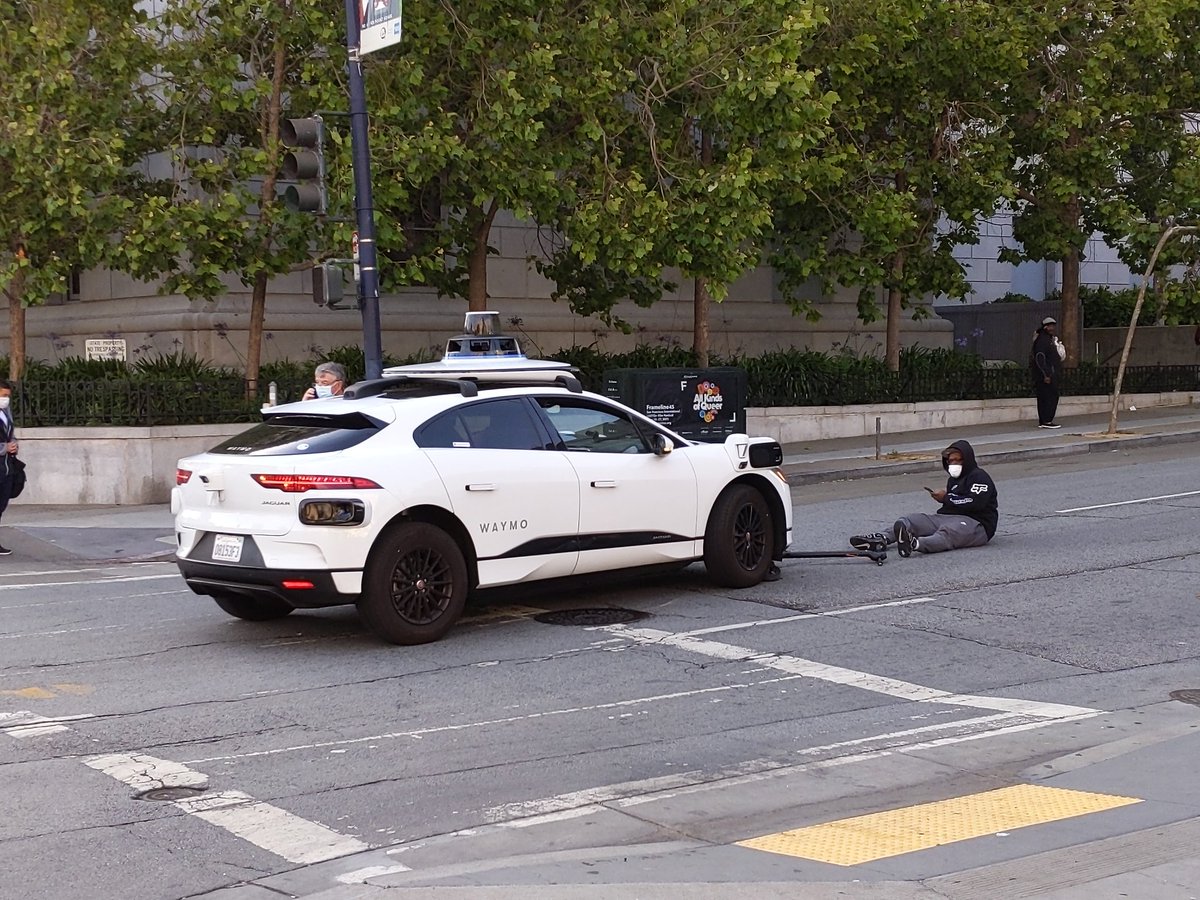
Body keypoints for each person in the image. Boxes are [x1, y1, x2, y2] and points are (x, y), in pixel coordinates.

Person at [849, 440, 998, 556]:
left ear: (967, 459)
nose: (953, 464)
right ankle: (881, 538)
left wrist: (946, 497)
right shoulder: (954, 480)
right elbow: (955, 499)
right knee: (912, 520)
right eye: (950, 461)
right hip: (947, 516)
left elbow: (975, 502)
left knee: (949, 532)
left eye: (958, 460)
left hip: (976, 524)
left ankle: (914, 544)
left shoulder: (979, 477)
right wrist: (946, 497)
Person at [1030, 316, 1064, 428]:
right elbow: (1040, 357)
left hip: (1050, 373)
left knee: (1050, 396)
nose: (1052, 328)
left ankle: (1045, 420)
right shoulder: (1043, 340)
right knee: (1048, 396)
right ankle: (1046, 420)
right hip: (1046, 375)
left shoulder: (1048, 339)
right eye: (1050, 326)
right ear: (1045, 327)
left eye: (1053, 326)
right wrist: (1046, 374)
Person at [0, 380, 20, 556]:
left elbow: (11, 434)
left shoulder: (6, 413)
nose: (6, 400)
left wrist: (13, 444)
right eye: (3, 395)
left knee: (2, 504)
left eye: (7, 396)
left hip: (5, 467)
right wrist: (4, 448)